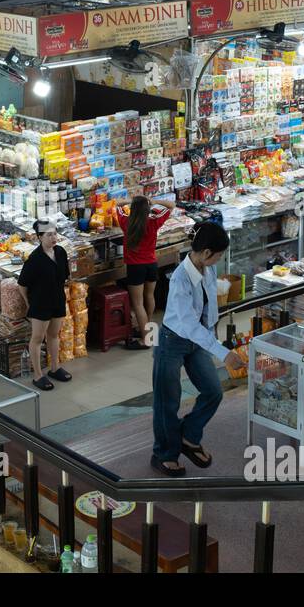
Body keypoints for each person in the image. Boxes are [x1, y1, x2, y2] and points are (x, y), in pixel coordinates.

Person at [150, 222, 244, 477]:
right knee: (167, 400)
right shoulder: (180, 279)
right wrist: (223, 353)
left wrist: (214, 332)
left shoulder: (208, 269)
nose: (220, 259)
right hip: (173, 340)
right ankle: (164, 453)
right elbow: (188, 324)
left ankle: (188, 437)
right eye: (219, 254)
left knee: (213, 391)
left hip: (199, 339)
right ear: (206, 253)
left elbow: (209, 305)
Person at [115, 194, 177, 350]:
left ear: (133, 209)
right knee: (149, 296)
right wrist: (154, 201)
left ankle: (146, 340)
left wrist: (131, 200)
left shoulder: (126, 222)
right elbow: (171, 205)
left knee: (137, 304)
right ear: (147, 209)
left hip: (135, 267)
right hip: (151, 264)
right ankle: (148, 330)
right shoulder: (154, 222)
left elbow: (116, 204)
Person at [18, 220, 71, 391]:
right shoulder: (34, 259)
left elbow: (65, 276)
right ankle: (38, 375)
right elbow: (22, 284)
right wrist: (28, 303)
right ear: (39, 237)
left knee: (54, 335)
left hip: (57, 299)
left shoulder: (61, 252)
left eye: (55, 233)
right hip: (40, 303)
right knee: (37, 338)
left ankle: (55, 367)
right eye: (49, 235)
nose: (53, 237)